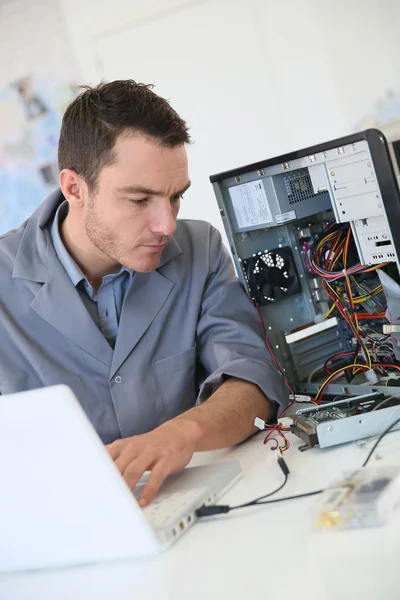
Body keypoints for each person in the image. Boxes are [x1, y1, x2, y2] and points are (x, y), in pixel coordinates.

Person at [0, 80, 288, 506]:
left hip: (196, 504)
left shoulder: (199, 251)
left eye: (175, 198)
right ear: (74, 188)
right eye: (140, 200)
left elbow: (253, 380)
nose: (166, 225)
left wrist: (182, 432)